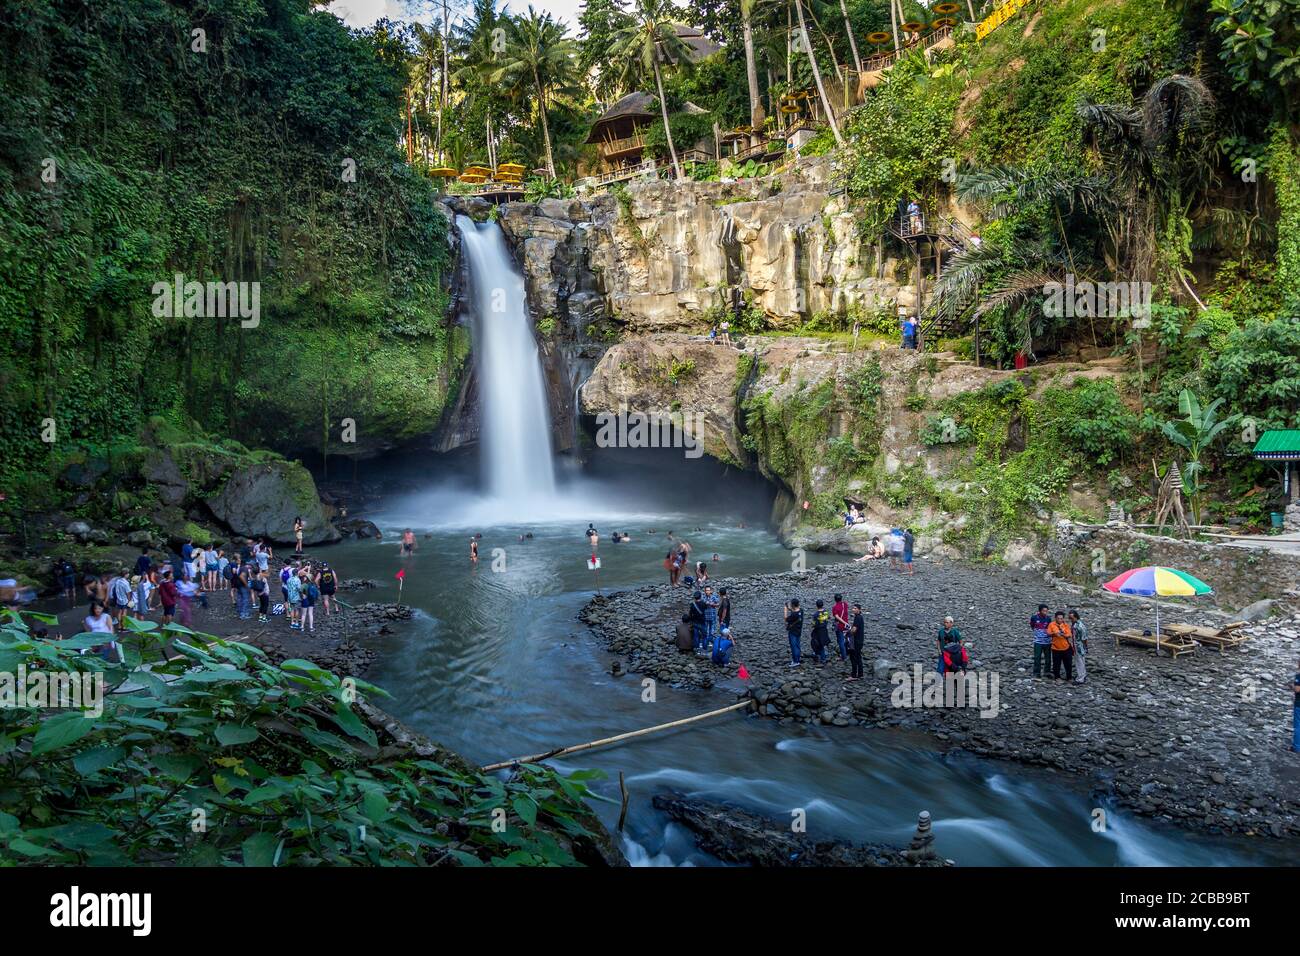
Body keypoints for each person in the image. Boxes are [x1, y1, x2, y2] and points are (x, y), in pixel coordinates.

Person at [1048, 610, 1074, 681]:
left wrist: (1063, 634)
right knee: (1056, 664)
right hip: (1055, 648)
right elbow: (1048, 633)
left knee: (1068, 664)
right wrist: (1054, 633)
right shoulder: (1051, 624)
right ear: (1055, 618)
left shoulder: (1066, 625)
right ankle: (1057, 677)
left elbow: (1069, 635)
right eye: (1058, 618)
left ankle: (1069, 677)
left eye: (1061, 618)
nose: (1060, 620)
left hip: (1066, 647)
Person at [1030, 604, 1052, 678]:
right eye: (1044, 611)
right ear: (1040, 611)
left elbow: (1050, 628)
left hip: (1047, 641)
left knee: (1048, 657)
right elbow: (1032, 626)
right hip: (1038, 641)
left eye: (1046, 611)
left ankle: (1047, 672)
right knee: (1037, 657)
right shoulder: (1034, 618)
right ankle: (1036, 672)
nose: (1045, 612)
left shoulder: (1048, 618)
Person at [847, 603, 866, 681]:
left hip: (856, 641)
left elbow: (854, 630)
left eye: (855, 608)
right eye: (853, 608)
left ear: (859, 610)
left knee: (853, 657)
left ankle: (854, 675)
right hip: (860, 640)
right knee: (858, 657)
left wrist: (848, 633)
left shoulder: (857, 618)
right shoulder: (860, 617)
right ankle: (860, 674)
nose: (853, 609)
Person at [1069, 610, 1088, 684]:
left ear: (1076, 617)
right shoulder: (1075, 624)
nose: (1071, 620)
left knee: (1079, 662)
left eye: (1072, 618)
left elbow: (1085, 638)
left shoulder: (1079, 626)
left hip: (1079, 646)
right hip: (1076, 645)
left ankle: (1080, 678)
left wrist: (1085, 647)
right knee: (1081, 661)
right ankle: (1083, 675)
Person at [810, 599, 831, 664]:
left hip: (818, 631)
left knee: (818, 643)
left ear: (816, 606)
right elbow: (829, 618)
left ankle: (822, 658)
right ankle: (823, 654)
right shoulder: (826, 612)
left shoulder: (816, 614)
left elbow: (813, 624)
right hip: (824, 629)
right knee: (824, 643)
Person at [784, 598, 803, 668]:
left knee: (793, 646)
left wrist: (785, 610)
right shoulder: (801, 611)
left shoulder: (793, 615)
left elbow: (786, 619)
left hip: (793, 632)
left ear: (793, 605)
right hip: (798, 631)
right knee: (797, 645)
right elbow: (795, 611)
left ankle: (795, 661)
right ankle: (798, 658)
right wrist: (790, 608)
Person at [832, 593, 850, 661]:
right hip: (846, 625)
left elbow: (837, 617)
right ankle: (847, 652)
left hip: (840, 625)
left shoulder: (835, 607)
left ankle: (843, 656)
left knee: (840, 641)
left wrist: (843, 622)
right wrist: (846, 623)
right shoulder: (845, 604)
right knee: (845, 639)